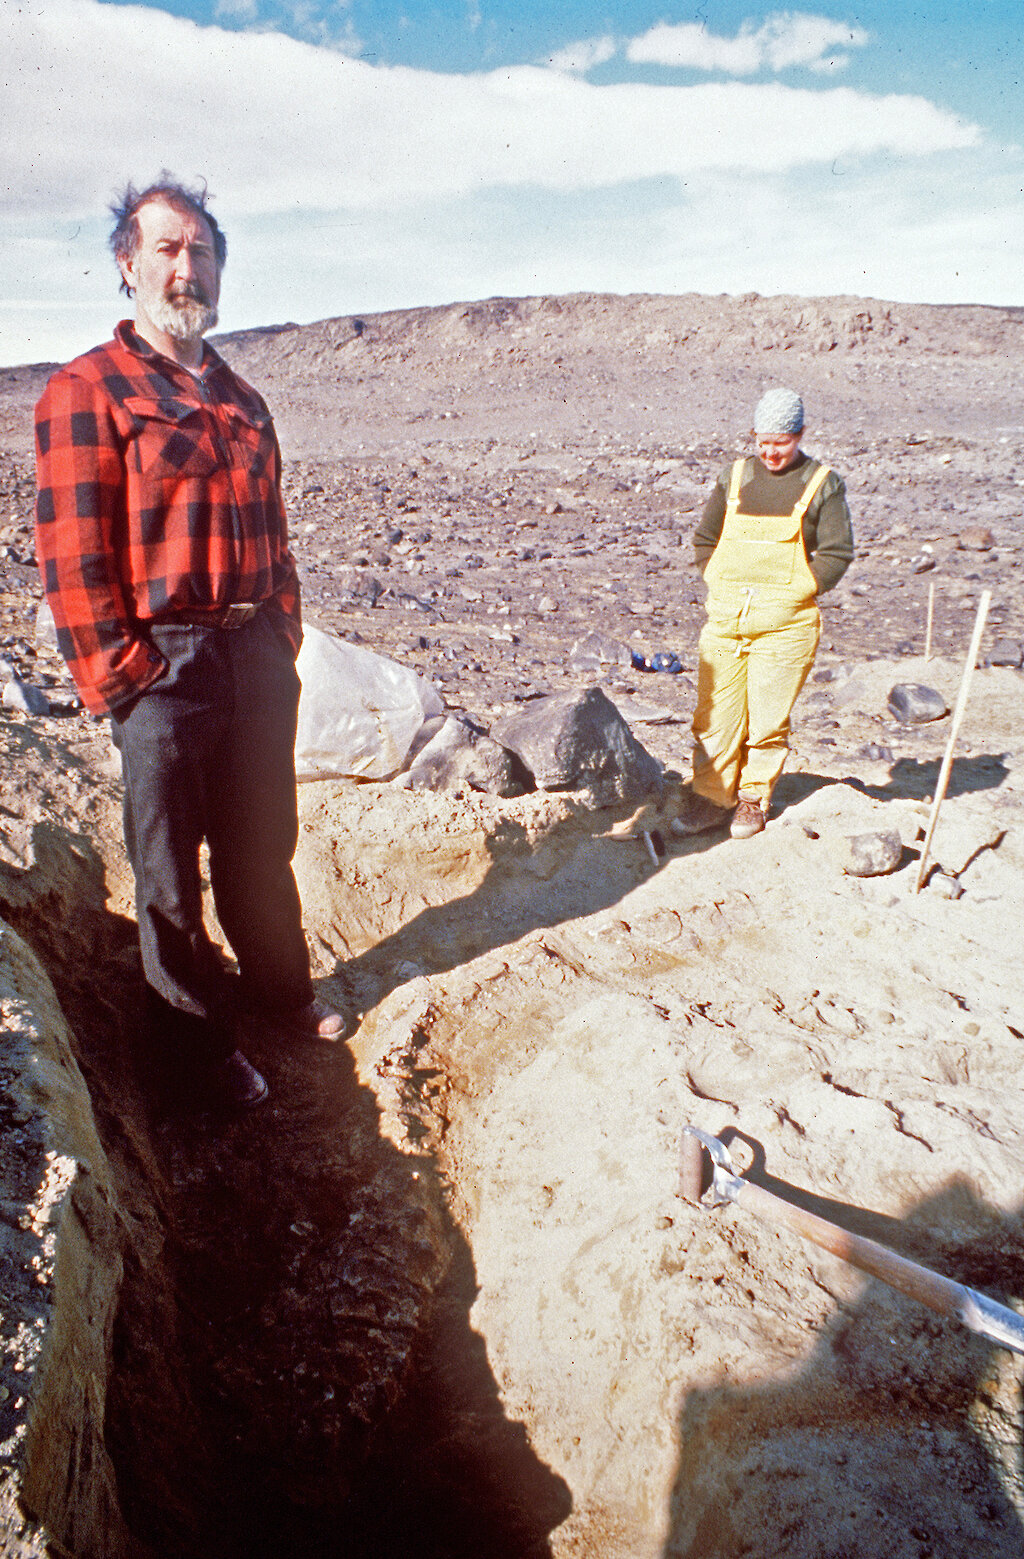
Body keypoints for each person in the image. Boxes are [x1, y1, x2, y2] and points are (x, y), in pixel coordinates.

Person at [34, 177, 348, 1107]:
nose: (187, 266)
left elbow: (277, 534)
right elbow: (72, 553)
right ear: (127, 265)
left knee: (261, 844)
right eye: (167, 248)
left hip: (253, 653)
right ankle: (191, 1055)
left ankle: (280, 997)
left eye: (202, 250)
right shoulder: (85, 390)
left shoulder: (243, 397)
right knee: (168, 869)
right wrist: (126, 680)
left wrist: (280, 633)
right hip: (162, 664)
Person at [673, 387, 854, 841]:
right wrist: (716, 577)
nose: (771, 452)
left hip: (786, 627)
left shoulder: (821, 483)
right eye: (763, 441)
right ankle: (712, 799)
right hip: (726, 623)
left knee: (768, 721)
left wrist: (799, 590)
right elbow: (705, 538)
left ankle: (753, 800)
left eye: (783, 441)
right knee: (714, 718)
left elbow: (836, 552)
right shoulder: (734, 478)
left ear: (800, 435)